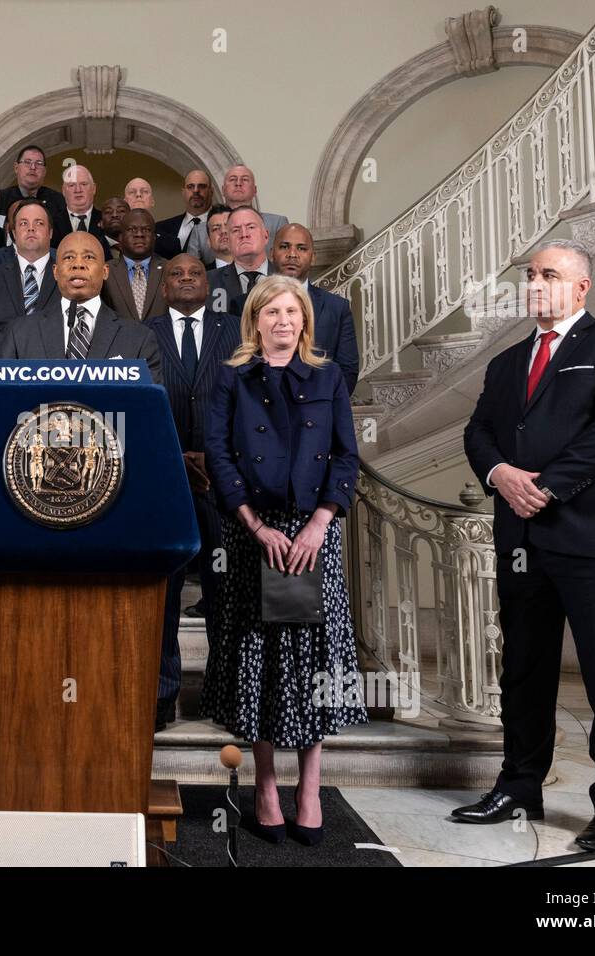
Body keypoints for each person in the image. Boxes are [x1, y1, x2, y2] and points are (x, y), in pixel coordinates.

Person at [458, 239, 595, 851]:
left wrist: (544, 486)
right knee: (523, 671)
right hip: (521, 539)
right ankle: (519, 785)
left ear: (581, 287)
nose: (536, 282)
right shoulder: (506, 361)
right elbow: (479, 431)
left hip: (592, 537)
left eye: (550, 273)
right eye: (529, 273)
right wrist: (499, 475)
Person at [202, 274, 365, 846]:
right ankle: (266, 785)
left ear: (304, 321)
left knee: (313, 662)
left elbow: (346, 456)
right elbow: (219, 457)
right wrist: (252, 524)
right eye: (270, 311)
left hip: (313, 533)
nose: (281, 321)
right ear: (255, 320)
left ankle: (311, 787)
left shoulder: (328, 375)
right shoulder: (231, 378)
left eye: (291, 312)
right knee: (264, 663)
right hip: (255, 535)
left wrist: (321, 521)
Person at [144, 255, 240, 731]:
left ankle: (225, 693)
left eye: (194, 273)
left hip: (224, 482)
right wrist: (175, 454)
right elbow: (140, 405)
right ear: (163, 288)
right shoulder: (144, 332)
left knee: (226, 592)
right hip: (166, 479)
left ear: (209, 283)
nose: (185, 279)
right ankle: (163, 695)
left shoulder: (238, 329)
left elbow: (249, 401)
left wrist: (217, 457)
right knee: (165, 595)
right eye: (175, 275)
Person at [0, 231, 163, 383]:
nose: (78, 265)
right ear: (55, 272)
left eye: (89, 257)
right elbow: (0, 396)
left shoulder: (139, 338)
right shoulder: (20, 332)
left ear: (105, 271)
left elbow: (148, 408)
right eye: (68, 258)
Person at [271, 223, 360, 393]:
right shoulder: (248, 304)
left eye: (301, 248)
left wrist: (320, 407)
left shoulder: (337, 308)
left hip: (319, 413)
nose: (292, 254)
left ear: (313, 257)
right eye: (284, 246)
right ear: (272, 253)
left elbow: (347, 371)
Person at [0, 198, 58, 357]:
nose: (31, 229)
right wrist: (13, 349)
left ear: (50, 232)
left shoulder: (68, 277)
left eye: (39, 223)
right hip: (2, 370)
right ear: (14, 233)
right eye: (23, 223)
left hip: (56, 370)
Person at [0, 144, 69, 246]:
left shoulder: (59, 201)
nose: (33, 167)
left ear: (44, 171)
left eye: (38, 163)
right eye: (27, 162)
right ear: (16, 168)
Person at [101, 208, 167, 322]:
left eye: (146, 229)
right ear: (120, 237)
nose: (139, 234)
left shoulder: (170, 269)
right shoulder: (105, 271)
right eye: (132, 229)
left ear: (154, 237)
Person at [207, 206, 271, 317]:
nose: (244, 234)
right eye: (236, 230)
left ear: (266, 235)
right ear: (229, 241)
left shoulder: (289, 279)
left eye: (251, 227)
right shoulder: (208, 282)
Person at [157, 170, 216, 266]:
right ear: (183, 192)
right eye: (190, 187)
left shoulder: (224, 226)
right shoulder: (161, 228)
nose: (196, 191)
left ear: (211, 191)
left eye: (202, 186)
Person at [222, 164, 287, 249]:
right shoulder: (202, 230)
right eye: (232, 179)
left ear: (255, 190)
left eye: (245, 179)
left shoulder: (277, 224)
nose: (238, 183)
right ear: (223, 190)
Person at [57, 163, 111, 257]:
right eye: (71, 185)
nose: (78, 190)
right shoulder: (52, 222)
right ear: (63, 190)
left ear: (94, 188)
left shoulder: (107, 221)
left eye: (84, 184)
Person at [206, 204, 234, 269]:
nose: (223, 231)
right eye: (216, 228)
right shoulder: (203, 276)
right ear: (208, 241)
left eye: (228, 226)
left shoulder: (258, 268)